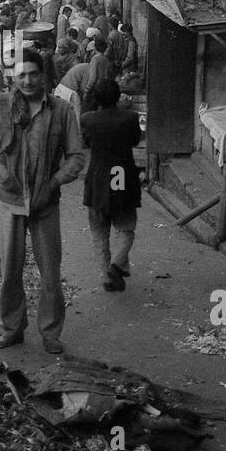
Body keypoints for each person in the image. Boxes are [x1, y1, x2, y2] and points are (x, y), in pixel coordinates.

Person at [0, 49, 86, 355]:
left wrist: (53, 183)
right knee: (10, 270)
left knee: (50, 271)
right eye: (21, 74)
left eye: (33, 73)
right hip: (8, 201)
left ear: (43, 75)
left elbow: (76, 157)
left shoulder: (61, 110)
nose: (27, 80)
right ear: (13, 76)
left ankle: (50, 332)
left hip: (45, 203)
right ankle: (12, 329)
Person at [81, 78, 142, 291]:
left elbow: (86, 142)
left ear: (95, 98)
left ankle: (108, 275)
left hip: (98, 179)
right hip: (121, 176)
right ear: (118, 96)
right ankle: (116, 265)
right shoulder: (130, 118)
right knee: (125, 227)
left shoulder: (87, 119)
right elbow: (135, 141)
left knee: (99, 231)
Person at [87, 38, 114, 110]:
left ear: (95, 48)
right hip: (105, 89)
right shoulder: (106, 59)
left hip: (96, 90)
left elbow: (93, 78)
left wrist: (87, 90)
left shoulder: (95, 59)